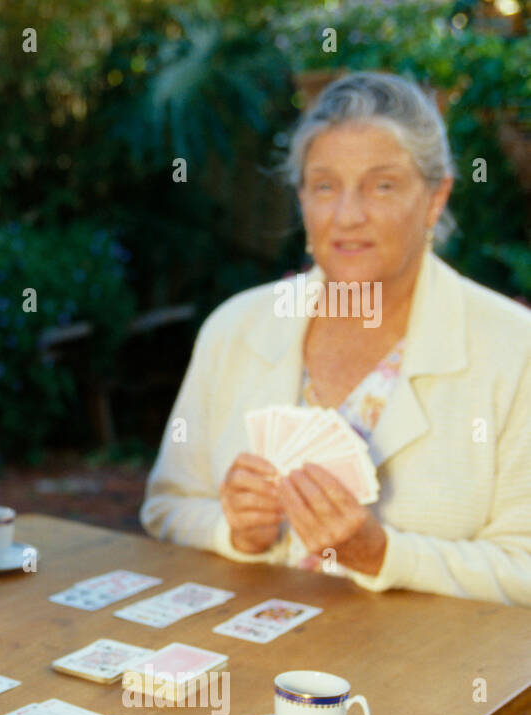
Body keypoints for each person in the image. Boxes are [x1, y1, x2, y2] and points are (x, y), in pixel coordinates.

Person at [141, 71, 531, 606]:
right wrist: (233, 531)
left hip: (425, 679)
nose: (347, 216)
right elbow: (167, 507)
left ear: (436, 198)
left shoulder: (514, 349)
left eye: (383, 185)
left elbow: (524, 567)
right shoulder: (235, 327)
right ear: (301, 198)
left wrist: (383, 553)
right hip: (251, 664)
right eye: (325, 186)